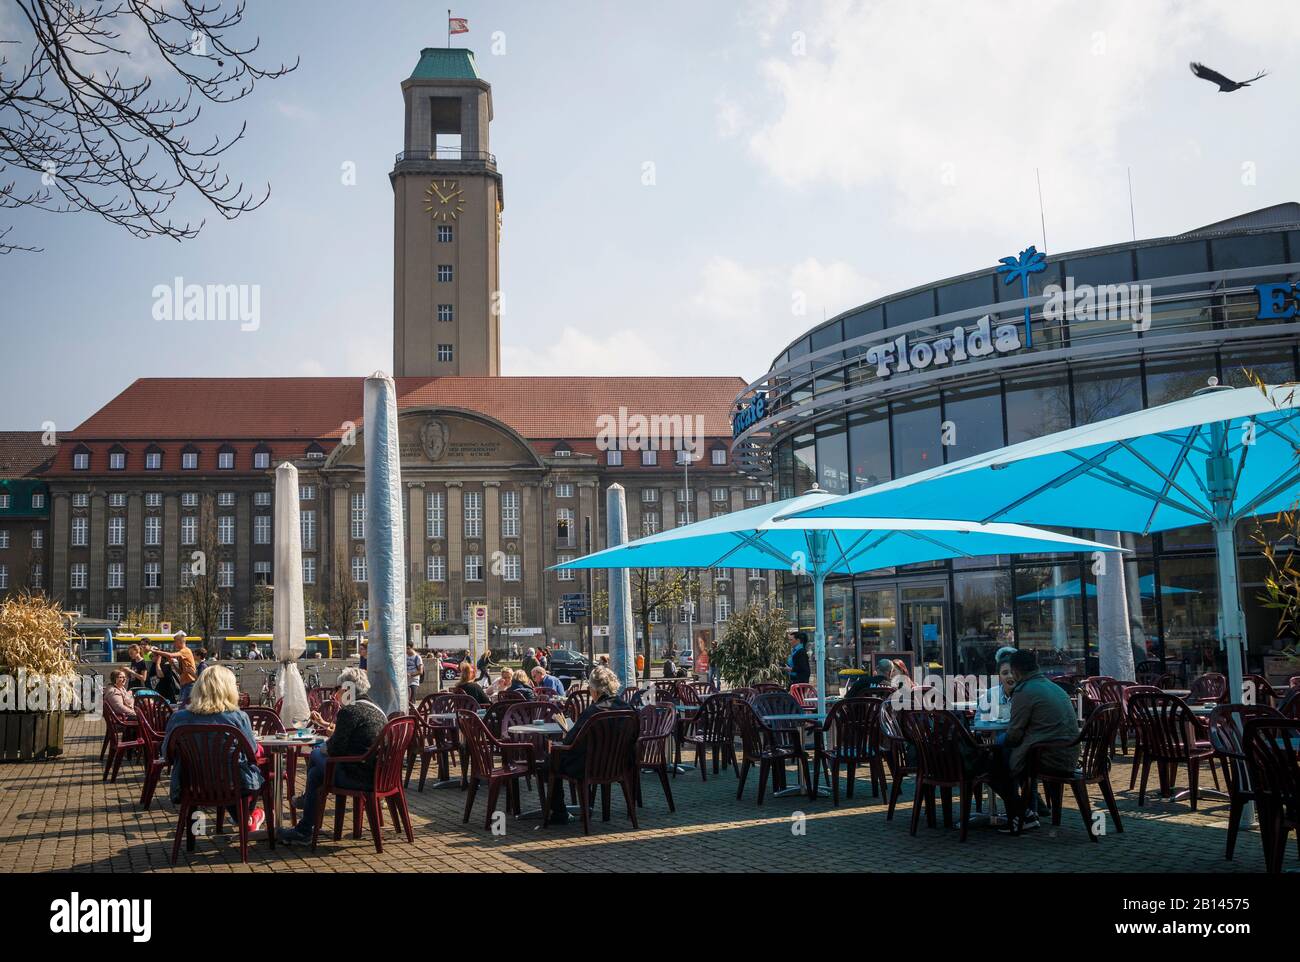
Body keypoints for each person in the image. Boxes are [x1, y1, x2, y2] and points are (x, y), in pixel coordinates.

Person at [278, 667, 387, 845]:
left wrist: (325, 744)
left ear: (347, 689)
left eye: (337, 688)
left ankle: (306, 814)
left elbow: (335, 750)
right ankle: (305, 827)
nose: (335, 693)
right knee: (315, 775)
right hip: (377, 774)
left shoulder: (350, 711)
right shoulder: (376, 708)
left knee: (315, 754)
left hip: (357, 775)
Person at [983, 648, 1080, 835]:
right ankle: (1030, 811)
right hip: (1069, 754)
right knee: (1007, 756)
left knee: (991, 765)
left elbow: (1013, 735)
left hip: (1049, 758)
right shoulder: (1053, 687)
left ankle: (1023, 814)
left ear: (1017, 671)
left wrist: (991, 745)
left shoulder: (1025, 691)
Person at [160, 665, 266, 834]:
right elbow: (252, 752)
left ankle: (199, 832)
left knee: (227, 775)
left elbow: (167, 755)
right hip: (233, 782)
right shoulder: (238, 717)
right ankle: (245, 817)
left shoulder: (178, 718)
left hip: (191, 783)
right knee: (253, 772)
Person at [543, 665, 627, 825]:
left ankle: (559, 812)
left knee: (550, 762)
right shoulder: (627, 708)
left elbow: (570, 742)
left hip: (588, 766)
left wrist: (566, 736)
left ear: (594, 690)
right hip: (618, 765)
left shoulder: (592, 712)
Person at [977, 647, 1017, 720]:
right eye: (1005, 673)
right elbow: (979, 720)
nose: (1010, 676)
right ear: (999, 676)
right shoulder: (990, 694)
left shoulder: (1026, 694)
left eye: (1013, 672)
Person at [159, 631, 197, 702]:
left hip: (189, 684)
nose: (174, 644)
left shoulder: (185, 651)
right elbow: (180, 672)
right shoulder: (181, 653)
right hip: (184, 684)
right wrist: (173, 664)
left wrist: (156, 651)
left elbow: (170, 655)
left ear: (180, 641)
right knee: (181, 705)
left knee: (183, 706)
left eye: (175, 641)